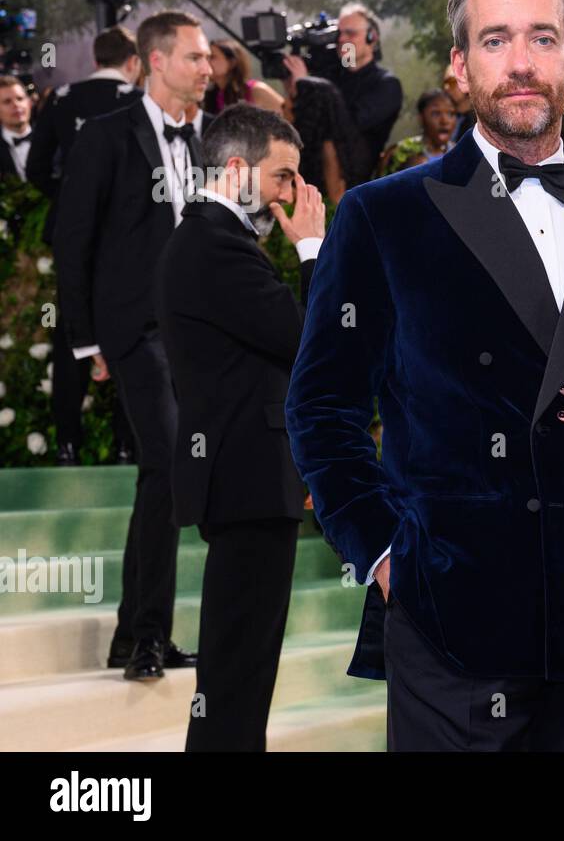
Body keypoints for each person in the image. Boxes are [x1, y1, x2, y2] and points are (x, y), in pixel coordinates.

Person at [286, 0, 564, 751]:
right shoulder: (384, 216)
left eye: (542, 38)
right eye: (496, 40)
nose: (522, 62)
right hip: (451, 625)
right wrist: (390, 554)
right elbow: (321, 408)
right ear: (461, 68)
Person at [156, 103, 324, 750]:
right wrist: (312, 249)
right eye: (283, 177)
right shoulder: (213, 245)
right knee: (237, 674)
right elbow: (311, 342)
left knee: (241, 673)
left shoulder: (215, 242)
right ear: (236, 170)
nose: (292, 194)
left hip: (247, 479)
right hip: (246, 480)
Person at [54, 10, 212, 681]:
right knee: (171, 466)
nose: (209, 68)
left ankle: (136, 633)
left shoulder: (204, 142)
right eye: (196, 57)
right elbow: (73, 239)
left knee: (163, 474)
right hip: (133, 330)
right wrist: (86, 342)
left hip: (189, 336)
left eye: (208, 59)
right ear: (156, 63)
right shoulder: (106, 137)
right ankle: (146, 635)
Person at [25, 27, 142, 468]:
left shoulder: (63, 97)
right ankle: (126, 444)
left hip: (73, 238)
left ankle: (67, 445)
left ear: (96, 57)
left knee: (73, 331)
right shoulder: (138, 102)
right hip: (125, 237)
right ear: (133, 61)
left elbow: (37, 167)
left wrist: (73, 198)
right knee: (131, 334)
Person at [284, 2, 402, 173]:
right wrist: (295, 90)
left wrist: (306, 85)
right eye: (339, 33)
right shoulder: (329, 74)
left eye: (351, 33)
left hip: (352, 176)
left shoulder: (387, 85)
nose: (341, 39)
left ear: (372, 37)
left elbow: (346, 127)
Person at [281, 76, 371, 202]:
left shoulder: (329, 152)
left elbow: (336, 202)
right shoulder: (336, 146)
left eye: (293, 98)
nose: (285, 104)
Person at [379, 87, 458, 175]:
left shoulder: (461, 152)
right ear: (421, 118)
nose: (445, 121)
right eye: (435, 113)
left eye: (451, 114)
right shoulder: (401, 152)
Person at [203, 38, 283, 116]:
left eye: (212, 57)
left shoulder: (255, 90)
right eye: (206, 58)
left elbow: (286, 117)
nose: (206, 62)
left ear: (232, 62)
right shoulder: (213, 96)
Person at [0, 75, 33, 181]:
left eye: (20, 99)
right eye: (7, 101)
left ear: (29, 103)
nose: (16, 105)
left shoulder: (55, 140)